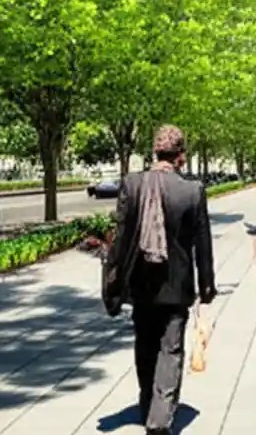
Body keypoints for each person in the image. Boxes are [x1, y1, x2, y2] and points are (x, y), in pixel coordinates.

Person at [102, 125, 216, 435]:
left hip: (142, 283)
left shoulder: (132, 184)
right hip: (176, 284)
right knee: (171, 349)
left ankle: (146, 405)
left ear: (155, 151)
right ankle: (159, 418)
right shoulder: (192, 191)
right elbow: (202, 243)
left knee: (145, 344)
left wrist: (113, 279)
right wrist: (207, 286)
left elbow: (121, 238)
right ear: (181, 156)